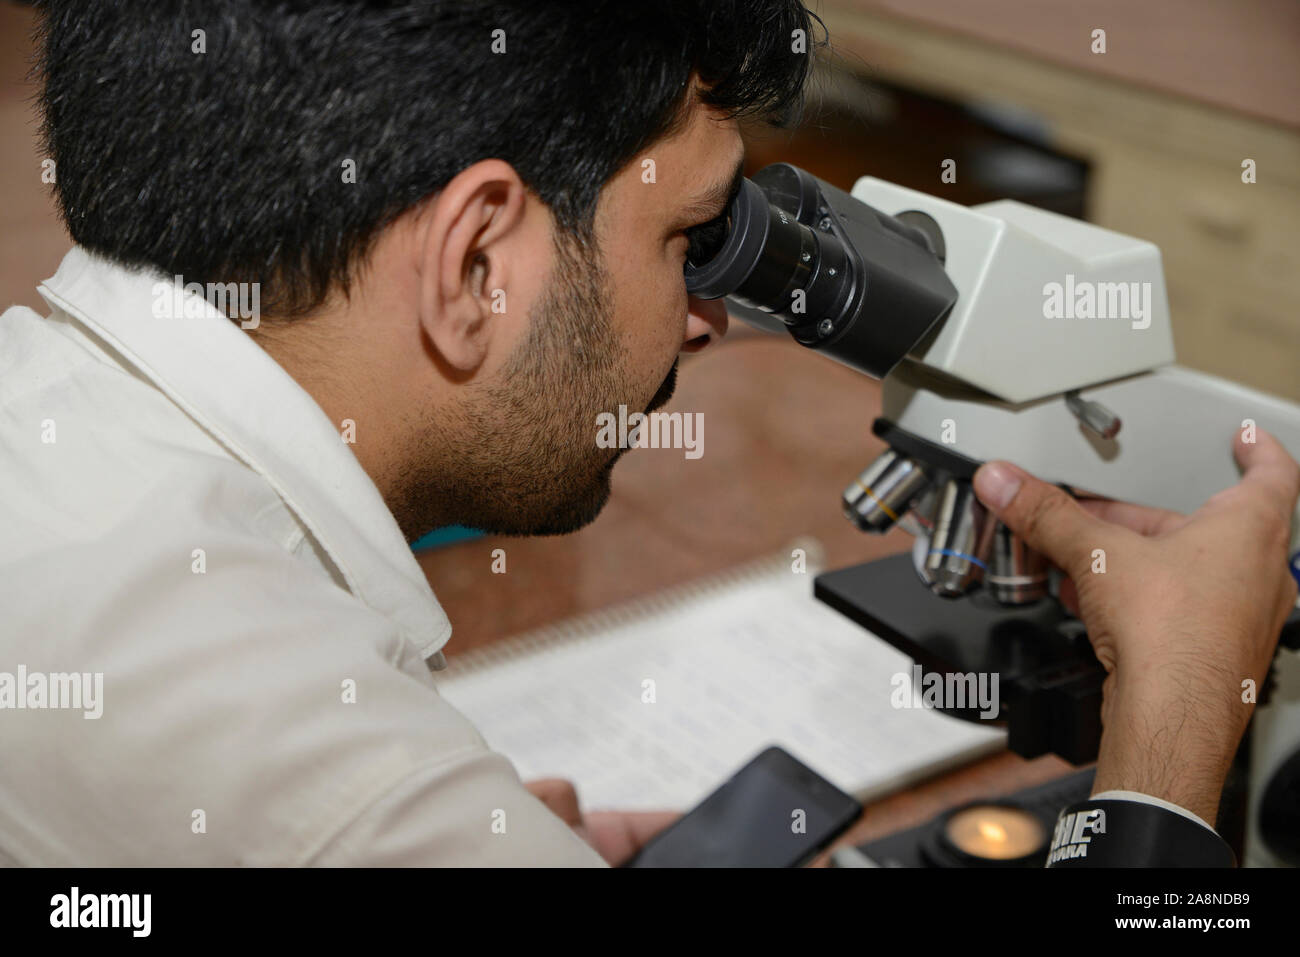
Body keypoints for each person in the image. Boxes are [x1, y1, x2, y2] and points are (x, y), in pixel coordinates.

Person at [0, 0, 1294, 867]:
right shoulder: (356, 804)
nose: (707, 321)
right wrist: (1172, 742)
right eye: (690, 239)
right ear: (475, 263)